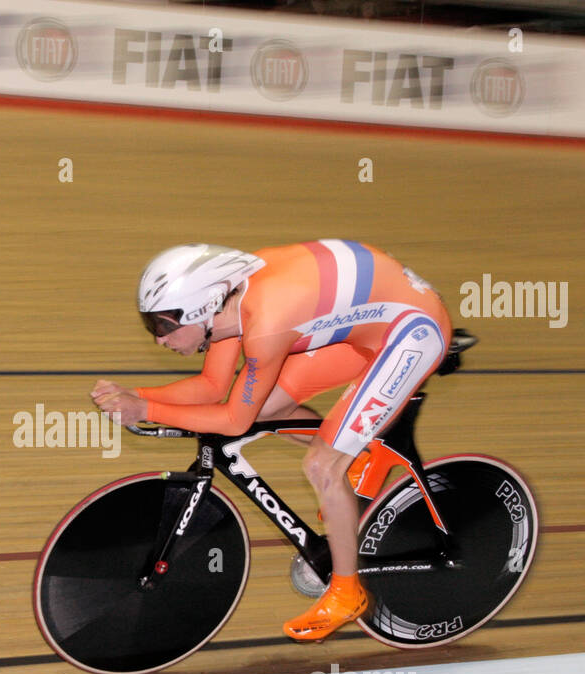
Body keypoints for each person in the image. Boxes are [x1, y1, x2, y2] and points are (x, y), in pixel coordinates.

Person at [92, 241, 452, 642]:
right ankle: (359, 452)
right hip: (367, 321)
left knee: (320, 464)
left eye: (162, 326)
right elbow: (212, 388)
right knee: (267, 408)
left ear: (199, 309)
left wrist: (146, 412)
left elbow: (232, 418)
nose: (159, 339)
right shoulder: (227, 308)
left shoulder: (265, 322)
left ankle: (347, 592)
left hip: (411, 330)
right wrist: (136, 397)